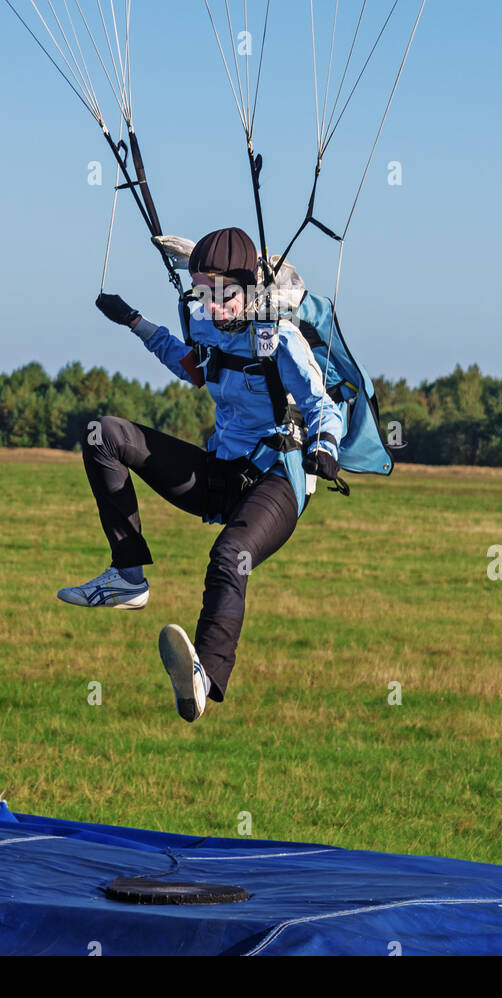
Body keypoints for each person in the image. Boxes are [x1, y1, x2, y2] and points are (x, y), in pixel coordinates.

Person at [57, 227, 345, 722]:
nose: (213, 306)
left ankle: (203, 677)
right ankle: (128, 575)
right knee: (102, 434)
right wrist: (134, 321)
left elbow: (321, 402)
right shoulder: (207, 324)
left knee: (230, 556)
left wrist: (325, 445)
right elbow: (189, 365)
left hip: (278, 479)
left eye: (223, 295)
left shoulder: (279, 335)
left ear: (248, 289)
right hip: (220, 475)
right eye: (203, 294)